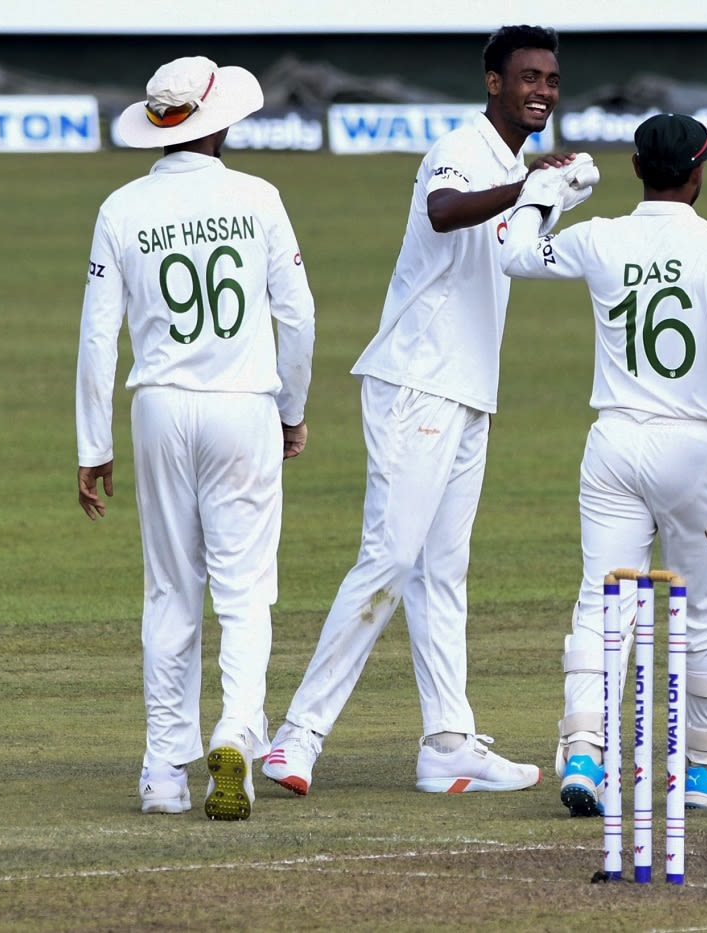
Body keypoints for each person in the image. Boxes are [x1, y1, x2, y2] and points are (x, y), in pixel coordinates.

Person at [261, 25, 582, 796]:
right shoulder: (461, 147)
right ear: (493, 82)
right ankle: (296, 735)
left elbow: (517, 256)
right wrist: (528, 189)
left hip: (468, 387)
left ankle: (447, 742)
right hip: (417, 380)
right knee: (391, 557)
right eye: (528, 77)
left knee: (443, 569)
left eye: (550, 78)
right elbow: (444, 210)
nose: (541, 90)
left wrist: (555, 194)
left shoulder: (515, 165)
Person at [499, 112, 707, 814]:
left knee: (603, 600)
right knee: (706, 603)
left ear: (637, 169)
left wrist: (545, 192)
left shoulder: (600, 236)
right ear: (698, 173)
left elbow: (516, 254)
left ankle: (585, 754)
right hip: (697, 448)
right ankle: (705, 769)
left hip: (614, 443)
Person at [76, 56, 316, 820]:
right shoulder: (259, 196)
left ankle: (161, 771)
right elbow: (299, 314)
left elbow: (97, 336)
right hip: (243, 404)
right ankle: (235, 734)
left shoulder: (121, 207)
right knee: (245, 592)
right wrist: (292, 409)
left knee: (171, 590)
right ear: (219, 125)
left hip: (159, 407)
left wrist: (92, 445)